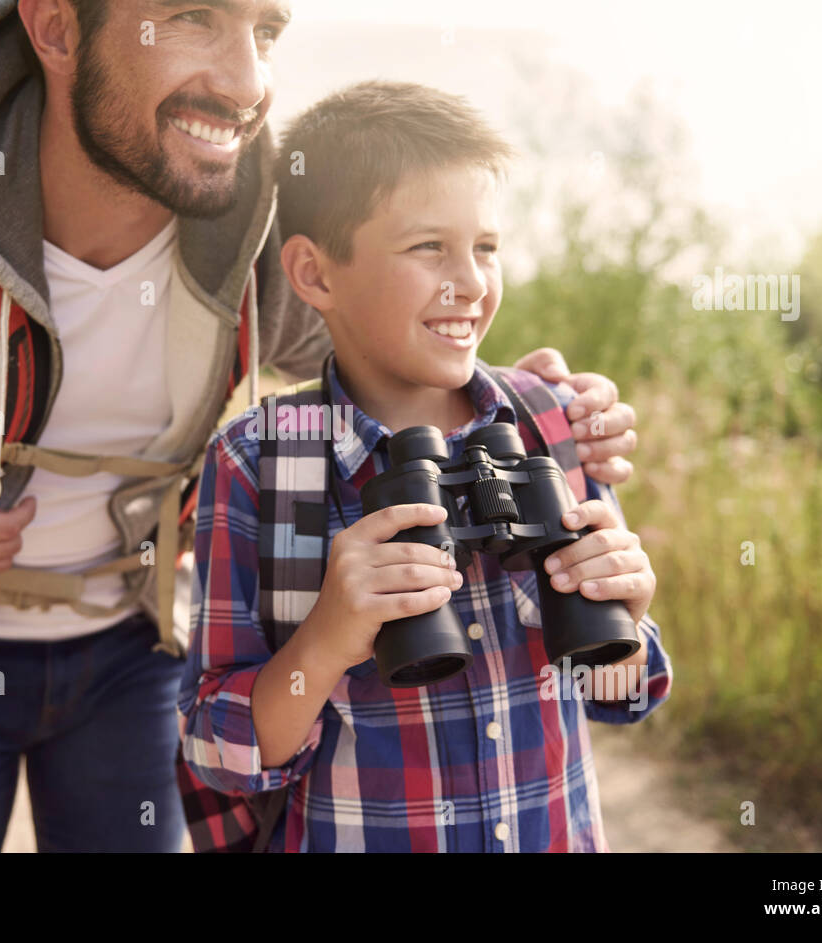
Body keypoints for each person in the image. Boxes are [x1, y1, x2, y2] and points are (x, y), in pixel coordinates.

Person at [0, 0, 638, 852]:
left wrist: (515, 396)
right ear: (52, 26)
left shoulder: (254, 210)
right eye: (194, 18)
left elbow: (376, 328)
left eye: (264, 26)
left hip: (141, 661)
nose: (247, 83)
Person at [179, 80, 673, 852]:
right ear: (313, 275)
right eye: (427, 247)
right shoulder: (259, 463)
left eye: (485, 247)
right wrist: (329, 638)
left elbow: (617, 695)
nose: (471, 282)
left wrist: (631, 624)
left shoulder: (550, 419)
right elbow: (218, 751)